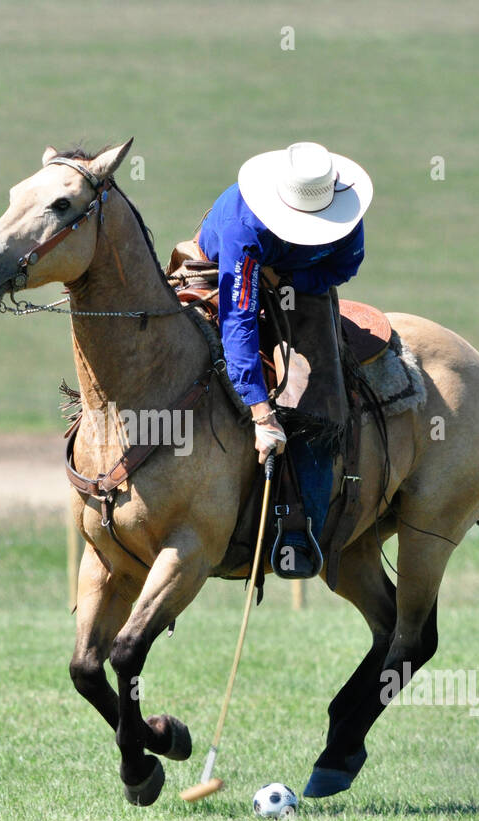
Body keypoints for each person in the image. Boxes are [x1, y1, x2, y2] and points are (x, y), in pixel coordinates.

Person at [194, 142, 373, 577]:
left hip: (302, 288)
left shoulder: (346, 218)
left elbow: (344, 267)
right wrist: (260, 412)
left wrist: (290, 277)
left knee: (315, 398)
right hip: (228, 264)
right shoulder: (245, 225)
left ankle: (300, 527)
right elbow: (239, 319)